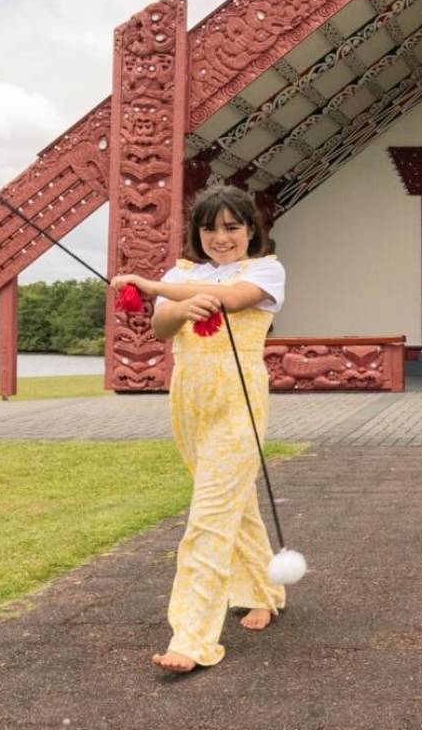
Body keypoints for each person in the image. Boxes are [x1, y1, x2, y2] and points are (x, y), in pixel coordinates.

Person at [112, 185, 288, 673]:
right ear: (198, 232)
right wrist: (176, 307)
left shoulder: (266, 269)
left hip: (239, 400)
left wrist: (156, 289)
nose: (221, 237)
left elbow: (234, 299)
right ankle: (264, 590)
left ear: (250, 229)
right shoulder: (183, 273)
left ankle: (192, 638)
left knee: (208, 516)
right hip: (189, 400)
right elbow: (162, 328)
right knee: (236, 502)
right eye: (210, 228)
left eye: (232, 226)